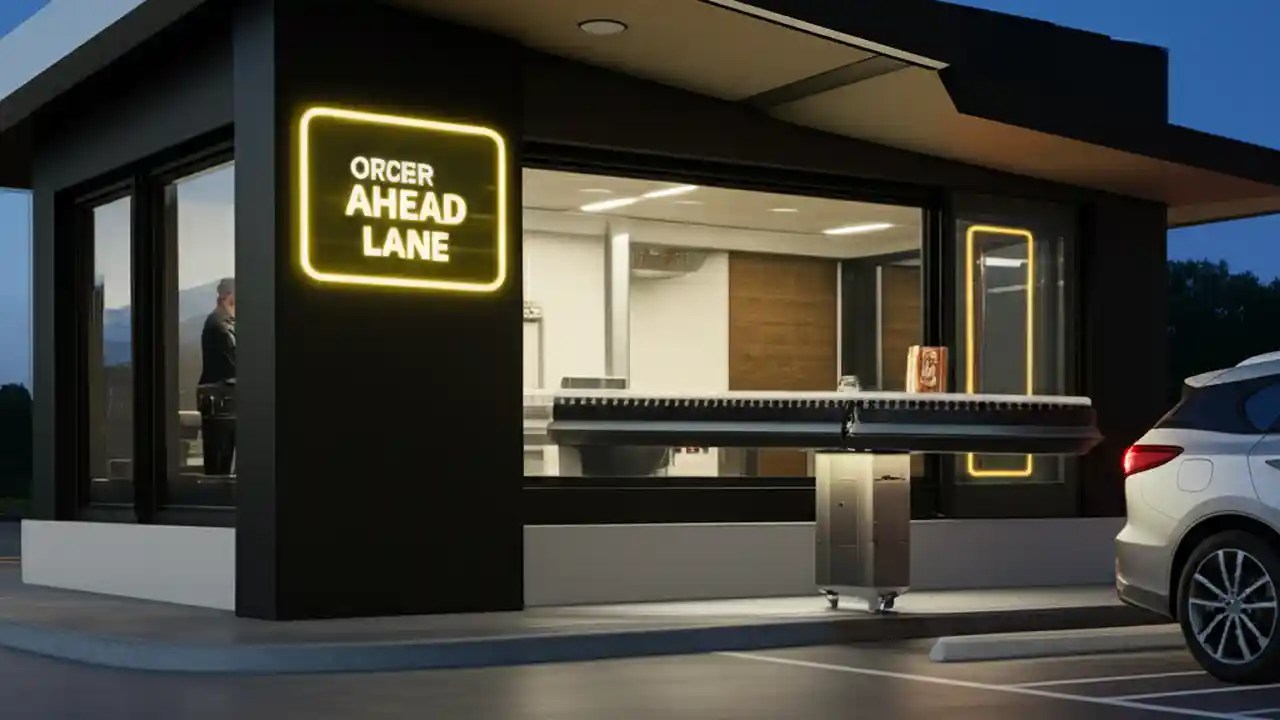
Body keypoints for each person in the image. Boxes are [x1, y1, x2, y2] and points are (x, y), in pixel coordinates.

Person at [197, 278, 236, 475]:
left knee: (221, 464)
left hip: (223, 402)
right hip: (222, 403)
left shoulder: (221, 322)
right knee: (220, 466)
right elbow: (234, 363)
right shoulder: (221, 325)